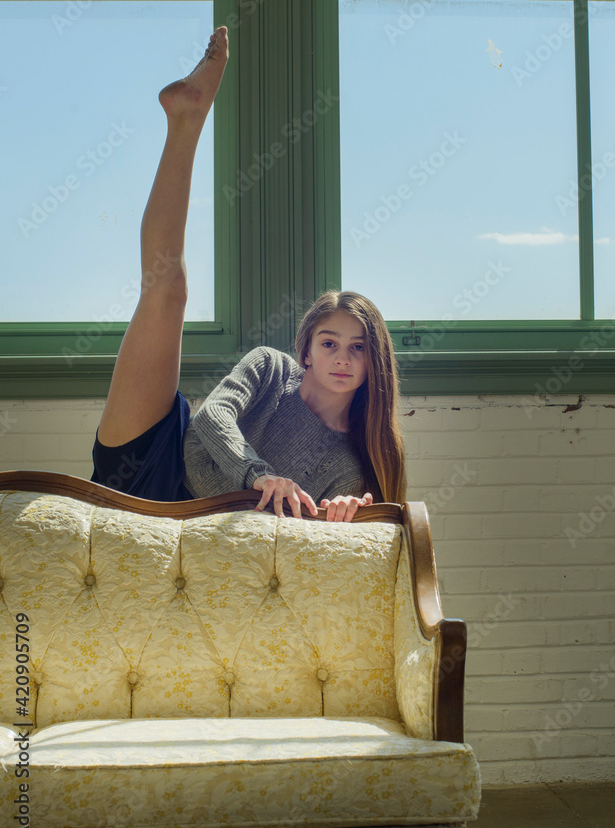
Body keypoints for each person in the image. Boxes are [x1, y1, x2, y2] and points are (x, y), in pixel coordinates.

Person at [91, 26, 406, 520]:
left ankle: (187, 114)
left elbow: (305, 547)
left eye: (357, 347)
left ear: (374, 366)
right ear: (305, 349)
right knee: (167, 289)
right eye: (329, 342)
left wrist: (344, 517)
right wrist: (259, 474)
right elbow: (212, 418)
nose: (342, 357)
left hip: (213, 534)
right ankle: (188, 116)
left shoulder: (348, 468)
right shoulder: (271, 367)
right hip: (162, 461)